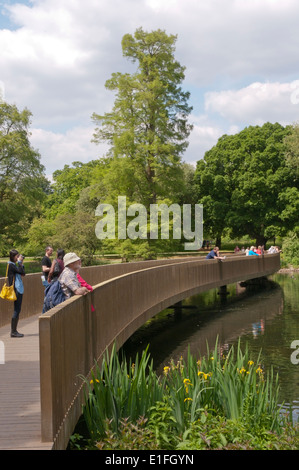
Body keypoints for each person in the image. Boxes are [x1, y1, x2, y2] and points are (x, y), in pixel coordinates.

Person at [7, 249, 25, 338]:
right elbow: (21, 271)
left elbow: (23, 273)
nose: (18, 257)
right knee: (16, 310)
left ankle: (14, 330)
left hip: (18, 289)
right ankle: (13, 332)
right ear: (14, 257)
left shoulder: (14, 265)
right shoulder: (11, 265)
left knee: (18, 309)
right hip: (16, 289)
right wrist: (19, 262)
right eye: (17, 256)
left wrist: (20, 263)